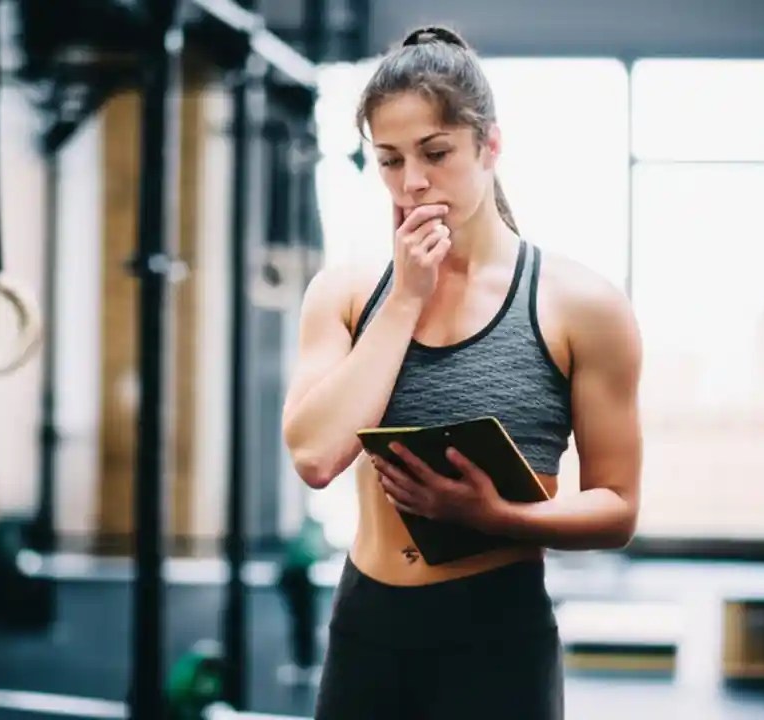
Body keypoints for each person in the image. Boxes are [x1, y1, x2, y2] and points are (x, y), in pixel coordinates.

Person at [280, 24, 644, 720]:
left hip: (495, 635)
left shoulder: (580, 304)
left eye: (436, 153)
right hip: (368, 626)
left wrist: (497, 516)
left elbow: (617, 508)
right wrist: (406, 299)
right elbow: (316, 455)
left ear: (490, 145)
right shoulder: (348, 293)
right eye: (389, 160)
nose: (413, 182)